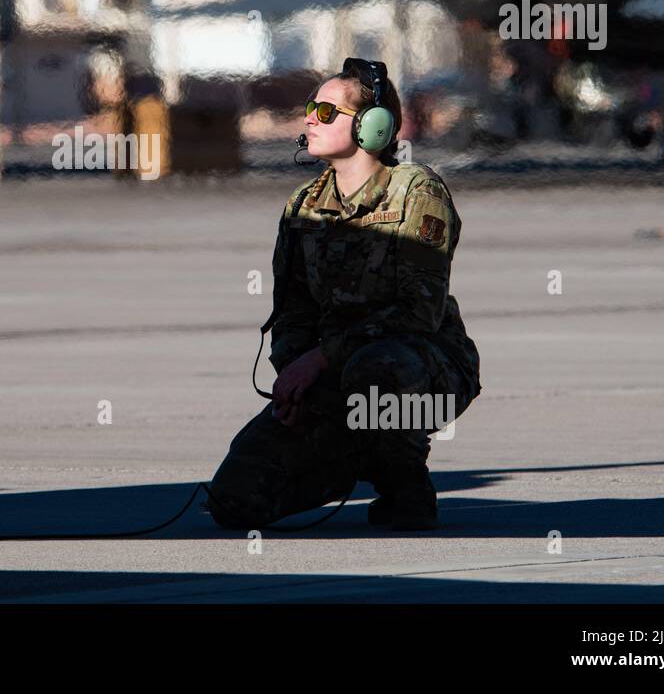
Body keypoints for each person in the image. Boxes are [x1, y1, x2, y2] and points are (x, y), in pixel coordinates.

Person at [205, 58, 481, 531]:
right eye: (312, 108)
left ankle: (405, 488)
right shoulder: (304, 206)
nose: (310, 118)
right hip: (335, 379)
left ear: (373, 127)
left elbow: (419, 311)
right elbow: (292, 314)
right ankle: (349, 452)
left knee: (377, 367)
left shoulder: (416, 191)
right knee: (237, 499)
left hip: (425, 369)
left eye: (328, 112)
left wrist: (322, 360)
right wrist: (294, 377)